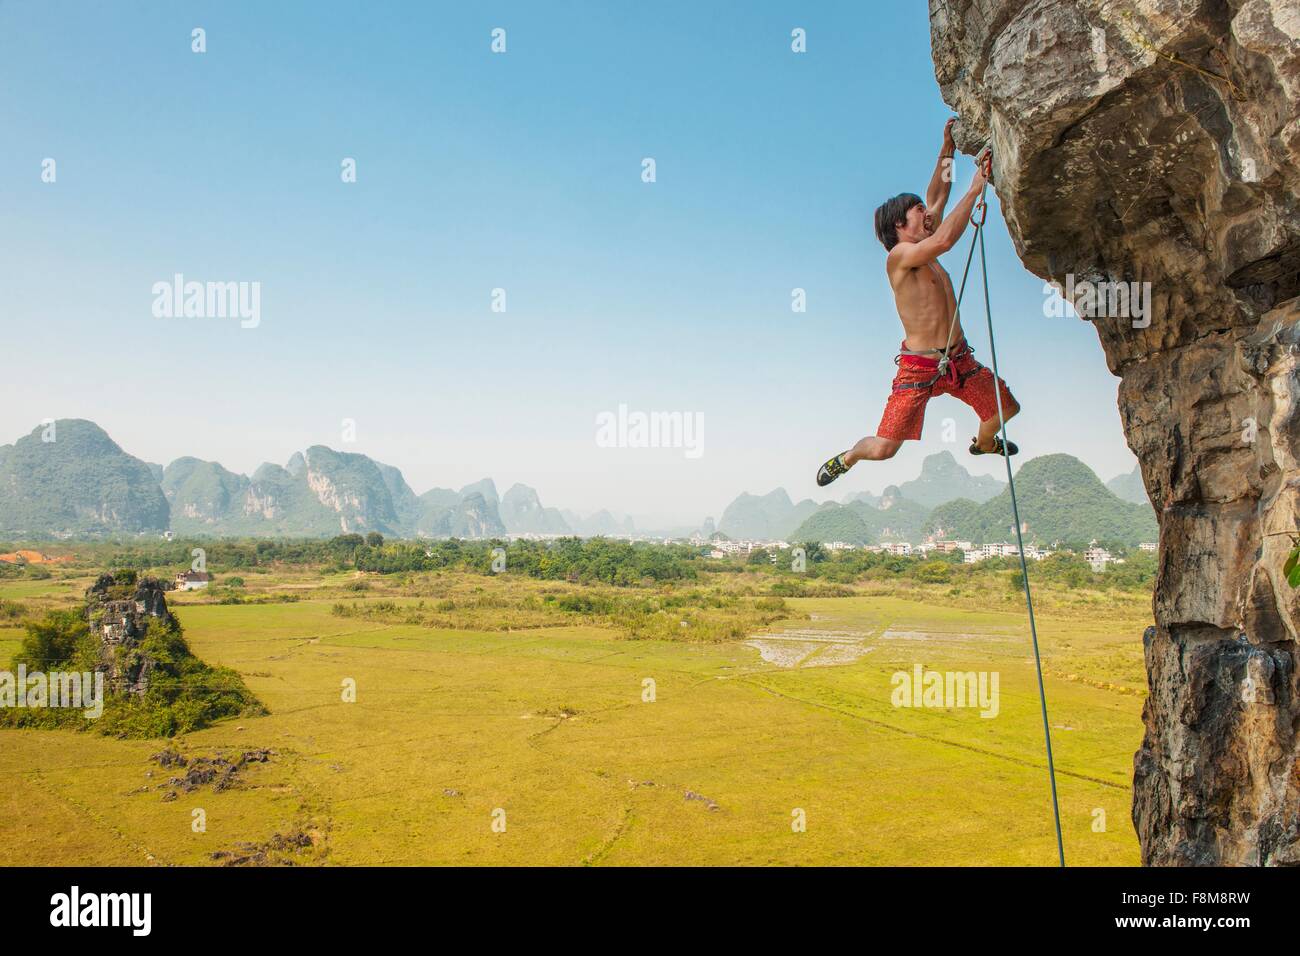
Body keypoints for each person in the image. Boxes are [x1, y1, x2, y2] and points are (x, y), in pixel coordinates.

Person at [817, 120, 1020, 488]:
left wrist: (948, 149)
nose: (927, 213)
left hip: (959, 359)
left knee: (1007, 409)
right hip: (919, 368)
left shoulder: (922, 240)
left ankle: (984, 444)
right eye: (918, 211)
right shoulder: (900, 257)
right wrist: (976, 188)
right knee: (883, 449)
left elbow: (940, 196)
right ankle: (848, 457)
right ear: (899, 224)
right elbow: (943, 241)